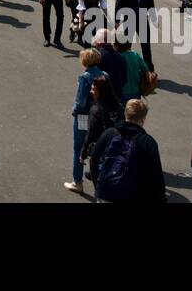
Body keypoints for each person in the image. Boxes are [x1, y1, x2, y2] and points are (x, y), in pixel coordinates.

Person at [88, 98, 167, 203]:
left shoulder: (110, 133)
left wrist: (98, 184)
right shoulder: (148, 142)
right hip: (131, 195)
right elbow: (156, 176)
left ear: (125, 114)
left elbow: (94, 159)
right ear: (143, 119)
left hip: (105, 192)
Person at [66, 48, 107, 194]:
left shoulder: (85, 77)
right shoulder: (105, 75)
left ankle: (78, 182)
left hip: (84, 117)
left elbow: (81, 100)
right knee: (99, 148)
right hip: (100, 115)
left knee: (79, 148)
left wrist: (74, 112)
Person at [114, 0, 156, 72]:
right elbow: (118, 4)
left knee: (146, 47)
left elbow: (150, 2)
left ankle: (149, 71)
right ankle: (125, 69)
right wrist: (117, 20)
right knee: (126, 46)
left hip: (142, 19)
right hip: (130, 19)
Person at [81, 75, 119, 186]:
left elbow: (90, 134)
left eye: (93, 89)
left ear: (100, 92)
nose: (91, 91)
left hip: (100, 151)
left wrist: (83, 154)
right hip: (117, 148)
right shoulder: (118, 106)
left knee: (100, 185)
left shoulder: (96, 110)